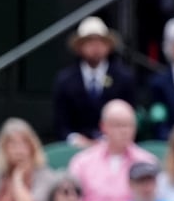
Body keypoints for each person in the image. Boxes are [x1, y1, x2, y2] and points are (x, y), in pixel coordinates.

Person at [52, 17, 138, 146]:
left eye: (100, 42)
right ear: (79, 47)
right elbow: (60, 124)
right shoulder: (65, 80)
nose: (95, 47)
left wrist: (109, 137)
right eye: (89, 42)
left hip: (114, 146)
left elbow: (132, 116)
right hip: (74, 149)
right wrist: (75, 139)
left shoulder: (124, 78)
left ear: (109, 46)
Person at [68, 101, 157, 201]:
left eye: (129, 125)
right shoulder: (82, 162)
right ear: (103, 127)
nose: (124, 131)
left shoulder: (148, 162)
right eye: (118, 125)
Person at [0, 117, 56, 201]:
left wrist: (17, 178)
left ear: (32, 147)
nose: (19, 150)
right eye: (13, 144)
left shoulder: (46, 176)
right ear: (4, 149)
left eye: (24, 144)